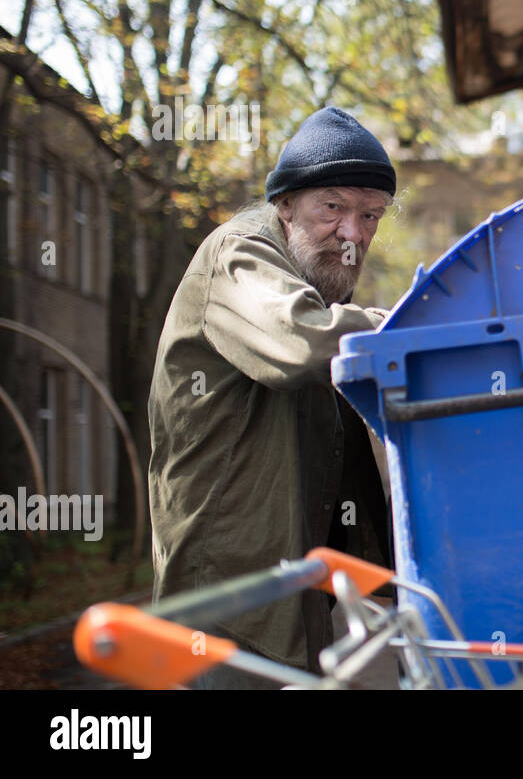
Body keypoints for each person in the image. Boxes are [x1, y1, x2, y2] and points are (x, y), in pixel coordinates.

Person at [147, 106, 398, 688]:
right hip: (227, 602)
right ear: (284, 205)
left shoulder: (314, 292)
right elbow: (300, 341)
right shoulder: (237, 254)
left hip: (290, 593)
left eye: (371, 215)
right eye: (332, 206)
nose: (353, 233)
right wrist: (419, 322)